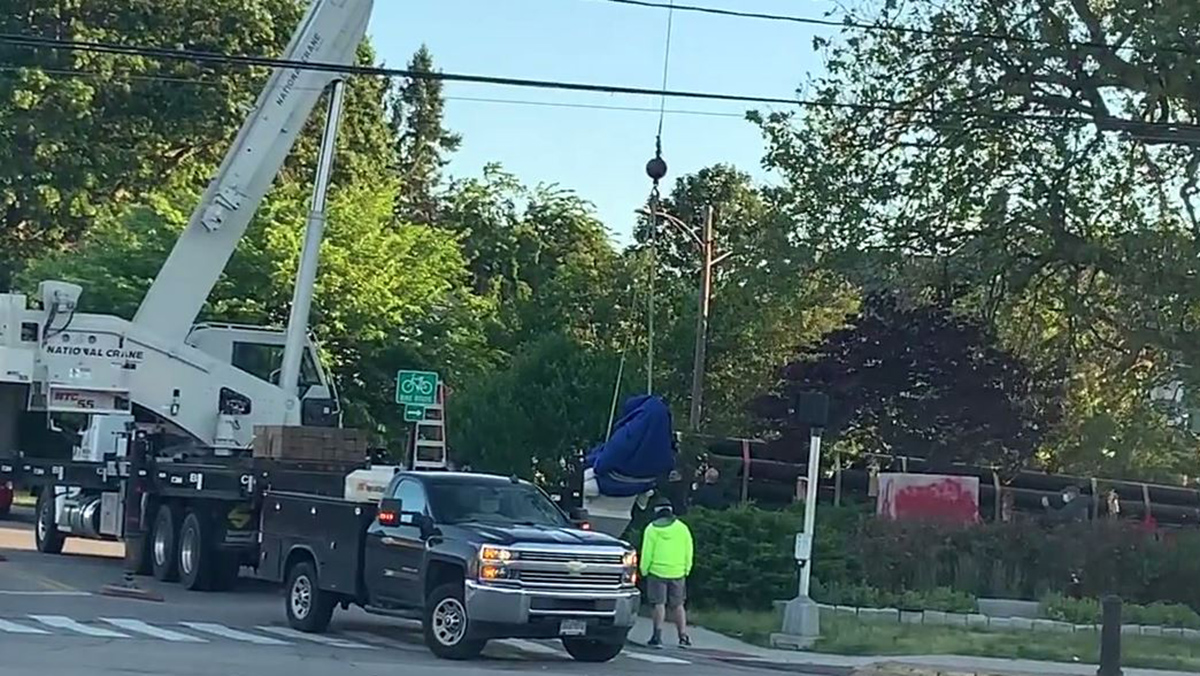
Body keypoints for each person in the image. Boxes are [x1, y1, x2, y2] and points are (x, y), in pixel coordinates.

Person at [640, 497, 694, 648]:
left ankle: (657, 637)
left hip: (657, 571)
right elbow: (689, 550)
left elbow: (647, 552)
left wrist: (644, 570)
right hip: (678, 571)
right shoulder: (682, 528)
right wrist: (687, 568)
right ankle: (683, 636)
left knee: (659, 604)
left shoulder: (651, 529)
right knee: (678, 605)